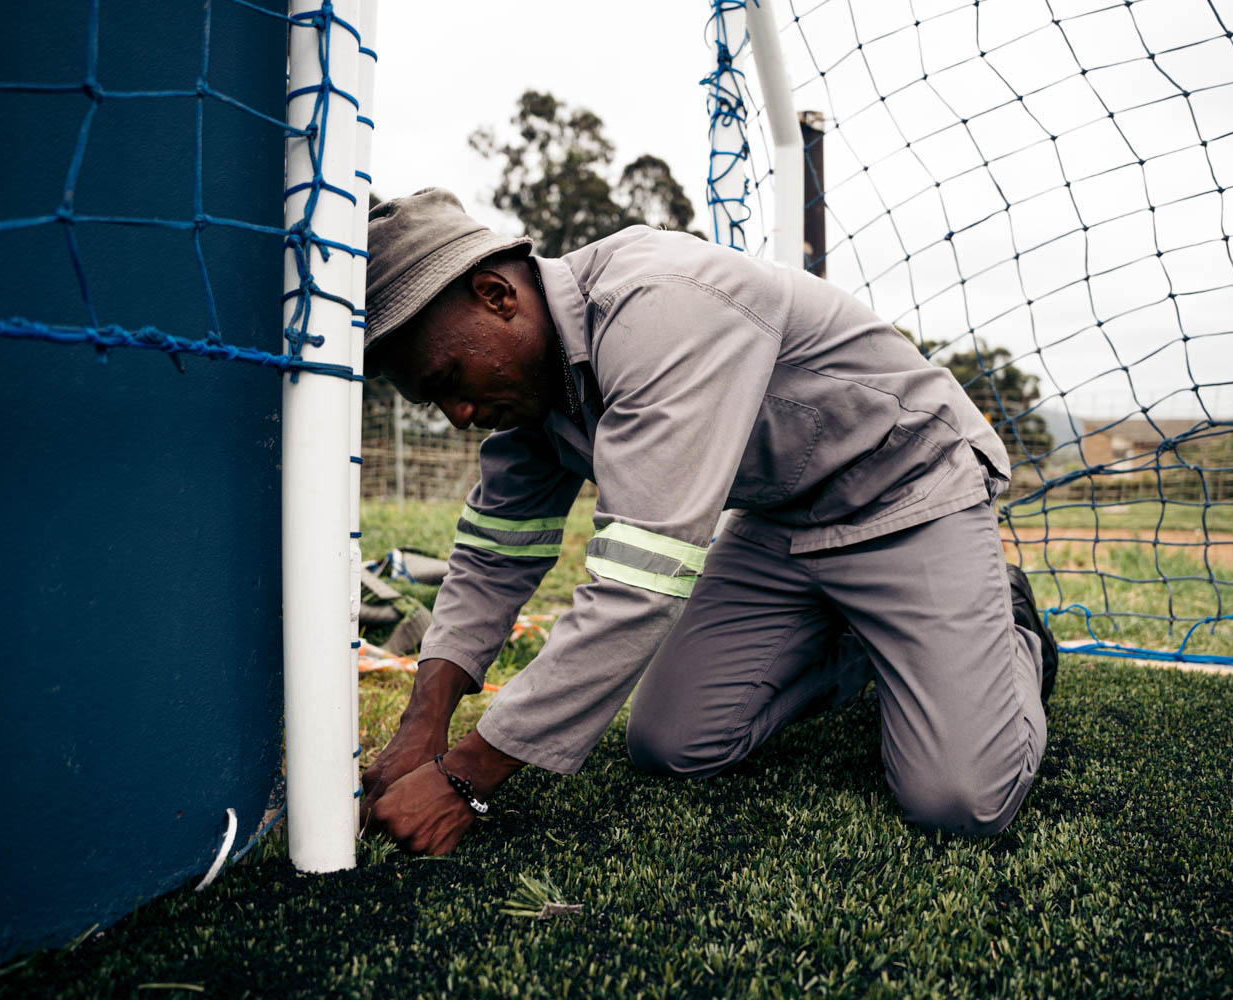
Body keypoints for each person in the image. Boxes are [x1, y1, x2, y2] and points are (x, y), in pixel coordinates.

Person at [359, 187, 1058, 855]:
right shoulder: (530, 396)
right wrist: (424, 725)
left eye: (451, 379)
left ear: (496, 296)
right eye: (434, 402)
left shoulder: (660, 305)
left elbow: (639, 585)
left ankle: (1013, 633)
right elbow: (493, 557)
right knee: (672, 742)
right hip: (781, 521)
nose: (458, 415)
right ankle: (864, 641)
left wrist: (463, 778)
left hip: (908, 491)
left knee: (959, 802)